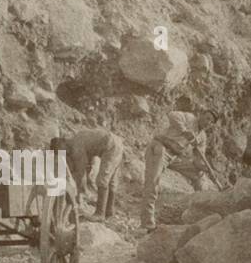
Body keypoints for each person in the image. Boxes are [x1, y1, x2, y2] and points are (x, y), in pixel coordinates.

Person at [141, 98, 217, 230]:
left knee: (198, 174)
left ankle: (200, 211)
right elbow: (172, 115)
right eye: (207, 118)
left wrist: (204, 167)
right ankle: (147, 223)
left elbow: (199, 159)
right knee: (153, 182)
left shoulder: (202, 136)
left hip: (175, 157)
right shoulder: (189, 118)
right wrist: (184, 131)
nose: (208, 122)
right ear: (202, 115)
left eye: (211, 122)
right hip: (160, 148)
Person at [60, 128, 124, 219]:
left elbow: (80, 173)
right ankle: (109, 212)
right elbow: (87, 165)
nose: (66, 154)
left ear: (64, 143)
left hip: (110, 146)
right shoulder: (80, 136)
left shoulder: (75, 145)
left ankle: (100, 214)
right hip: (117, 143)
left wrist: (76, 192)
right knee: (111, 181)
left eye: (63, 151)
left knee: (102, 180)